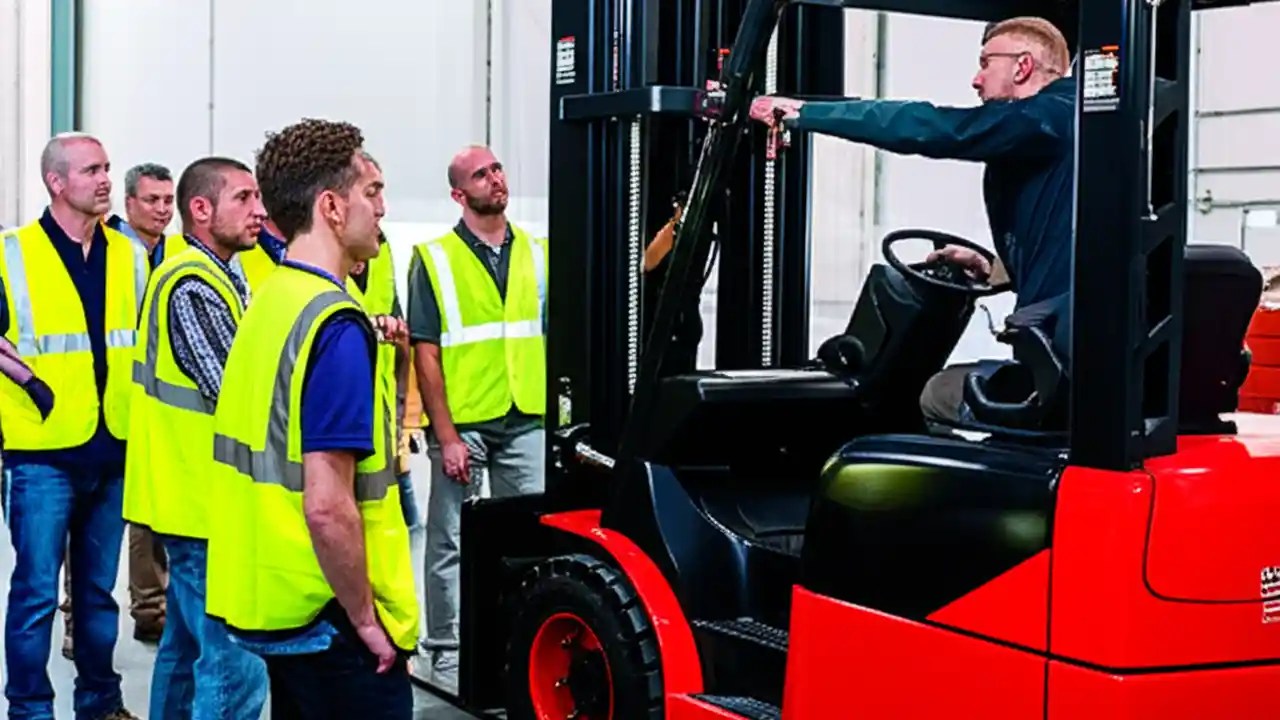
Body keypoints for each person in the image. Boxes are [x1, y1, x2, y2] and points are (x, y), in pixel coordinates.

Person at [749, 16, 1074, 423]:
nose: (976, 80)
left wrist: (801, 113)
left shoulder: (1046, 118)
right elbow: (1063, 238)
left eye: (985, 63)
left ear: (1022, 66)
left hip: (1059, 373)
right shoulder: (1076, 124)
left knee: (937, 393)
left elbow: (926, 126)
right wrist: (992, 268)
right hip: (1064, 359)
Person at [203, 118, 418, 718]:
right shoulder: (335, 324)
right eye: (372, 191)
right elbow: (326, 504)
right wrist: (366, 619)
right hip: (331, 615)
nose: (382, 208)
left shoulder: (273, 298)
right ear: (331, 206)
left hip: (275, 598)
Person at [0, 131, 146, 720]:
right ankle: (30, 710)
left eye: (107, 167)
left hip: (113, 447)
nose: (106, 179)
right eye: (91, 170)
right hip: (41, 452)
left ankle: (100, 702)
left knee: (97, 595)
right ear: (56, 182)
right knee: (36, 594)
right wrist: (31, 384)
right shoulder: (12, 252)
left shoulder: (130, 255)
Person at [122, 156, 270, 719]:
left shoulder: (223, 274)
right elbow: (234, 391)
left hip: (195, 497)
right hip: (201, 502)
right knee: (234, 666)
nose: (259, 211)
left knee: (184, 654)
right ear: (201, 210)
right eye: (244, 198)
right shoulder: (192, 283)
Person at [406, 144, 547, 692]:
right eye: (481, 175)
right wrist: (446, 436)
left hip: (525, 415)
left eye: (497, 169)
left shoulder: (536, 251)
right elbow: (426, 353)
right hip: (464, 424)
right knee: (451, 541)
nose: (495, 179)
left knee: (532, 533)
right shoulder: (434, 258)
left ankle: (519, 642)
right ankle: (446, 653)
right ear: (458, 194)